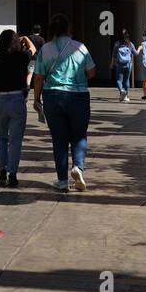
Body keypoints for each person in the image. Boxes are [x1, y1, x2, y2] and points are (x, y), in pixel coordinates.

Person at [33, 13, 95, 192]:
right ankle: (78, 167)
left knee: (59, 139)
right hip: (78, 97)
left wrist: (36, 98)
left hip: (53, 96)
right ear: (69, 29)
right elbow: (92, 72)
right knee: (79, 134)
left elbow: (38, 77)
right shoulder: (81, 48)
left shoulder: (45, 49)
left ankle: (62, 180)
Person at [0, 30, 37, 186]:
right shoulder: (21, 58)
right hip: (17, 100)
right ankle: (12, 174)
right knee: (15, 141)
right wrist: (26, 37)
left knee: (1, 139)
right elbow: (33, 49)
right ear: (14, 43)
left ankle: (1, 170)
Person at [111, 29, 137, 102]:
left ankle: (122, 91)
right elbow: (135, 53)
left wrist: (112, 63)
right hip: (128, 64)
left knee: (119, 80)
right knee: (127, 80)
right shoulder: (130, 44)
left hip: (119, 64)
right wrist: (139, 49)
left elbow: (114, 54)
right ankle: (125, 97)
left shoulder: (117, 43)